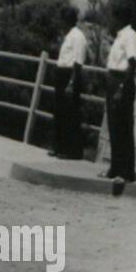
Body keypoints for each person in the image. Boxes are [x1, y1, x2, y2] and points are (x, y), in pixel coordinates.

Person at [103, 2, 136, 185]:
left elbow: (132, 63)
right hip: (113, 80)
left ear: (121, 18)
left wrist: (121, 88)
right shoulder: (120, 37)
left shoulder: (130, 36)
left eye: (115, 17)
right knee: (114, 126)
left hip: (122, 82)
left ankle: (126, 172)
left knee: (123, 127)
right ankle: (115, 168)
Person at [50, 8, 88, 160]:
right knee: (60, 112)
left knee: (70, 114)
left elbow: (78, 62)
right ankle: (59, 147)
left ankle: (72, 151)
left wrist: (72, 82)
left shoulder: (78, 36)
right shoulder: (68, 36)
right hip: (62, 74)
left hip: (70, 75)